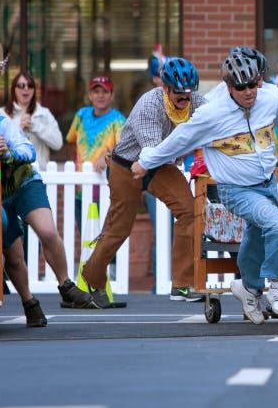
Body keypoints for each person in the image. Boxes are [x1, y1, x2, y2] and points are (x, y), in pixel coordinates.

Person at [132, 49, 278, 325]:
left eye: (253, 84)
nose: (249, 91)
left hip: (266, 185)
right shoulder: (210, 111)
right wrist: (146, 161)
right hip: (235, 190)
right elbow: (179, 139)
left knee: (256, 236)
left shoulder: (269, 96)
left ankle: (247, 287)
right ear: (228, 86)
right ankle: (275, 287)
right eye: (241, 87)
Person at [0, 93, 95, 319]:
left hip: (24, 184)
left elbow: (29, 152)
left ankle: (66, 285)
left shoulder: (2, 125)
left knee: (47, 231)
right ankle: (29, 302)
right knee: (13, 255)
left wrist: (6, 152)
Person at [80, 58, 206, 307]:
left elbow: (215, 124)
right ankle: (92, 278)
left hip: (159, 165)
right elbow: (152, 151)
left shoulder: (198, 102)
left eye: (189, 93)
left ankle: (182, 284)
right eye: (178, 92)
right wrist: (183, 147)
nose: (184, 97)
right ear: (166, 88)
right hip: (127, 165)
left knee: (190, 211)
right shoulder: (149, 105)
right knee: (119, 228)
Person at [66, 75, 126, 225]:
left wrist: (107, 155)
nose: (100, 95)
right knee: (85, 238)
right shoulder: (81, 115)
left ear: (111, 96)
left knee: (103, 238)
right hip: (79, 188)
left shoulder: (118, 120)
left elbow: (125, 149)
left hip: (104, 190)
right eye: (96, 91)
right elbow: (71, 143)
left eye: (105, 92)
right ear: (90, 95)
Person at [0, 72, 62, 169]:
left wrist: (35, 125)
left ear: (34, 90)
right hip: (11, 175)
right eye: (21, 85)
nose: (26, 88)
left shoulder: (44, 113)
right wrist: (19, 129)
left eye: (30, 86)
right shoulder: (1, 114)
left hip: (40, 175)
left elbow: (58, 143)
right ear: (14, 89)